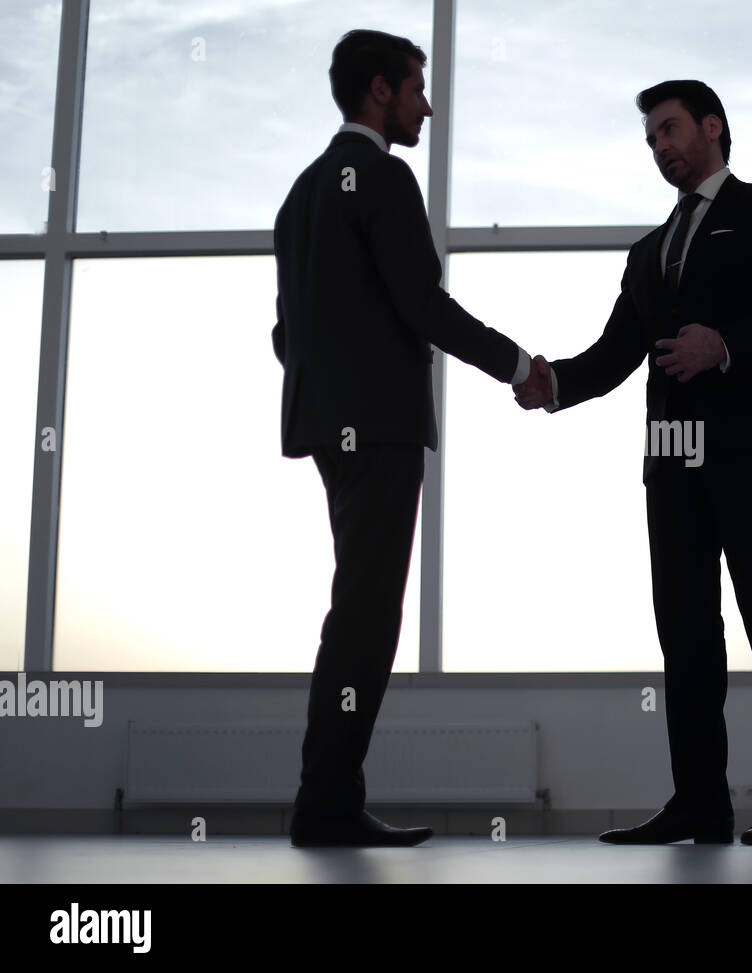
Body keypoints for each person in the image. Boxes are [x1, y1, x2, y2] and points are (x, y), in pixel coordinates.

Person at [516, 80, 752, 845]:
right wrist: (552, 381)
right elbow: (616, 354)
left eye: (669, 129)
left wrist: (724, 342)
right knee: (686, 633)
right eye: (651, 138)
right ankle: (700, 804)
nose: (661, 147)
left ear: (712, 127)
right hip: (672, 457)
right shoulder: (647, 251)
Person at [272, 28, 550, 848]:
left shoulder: (300, 193)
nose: (427, 104)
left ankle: (325, 798)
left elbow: (287, 334)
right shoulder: (384, 180)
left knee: (355, 604)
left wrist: (329, 388)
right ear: (380, 92)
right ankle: (324, 805)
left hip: (328, 427)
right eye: (417, 87)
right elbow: (421, 304)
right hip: (380, 428)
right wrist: (517, 364)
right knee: (366, 613)